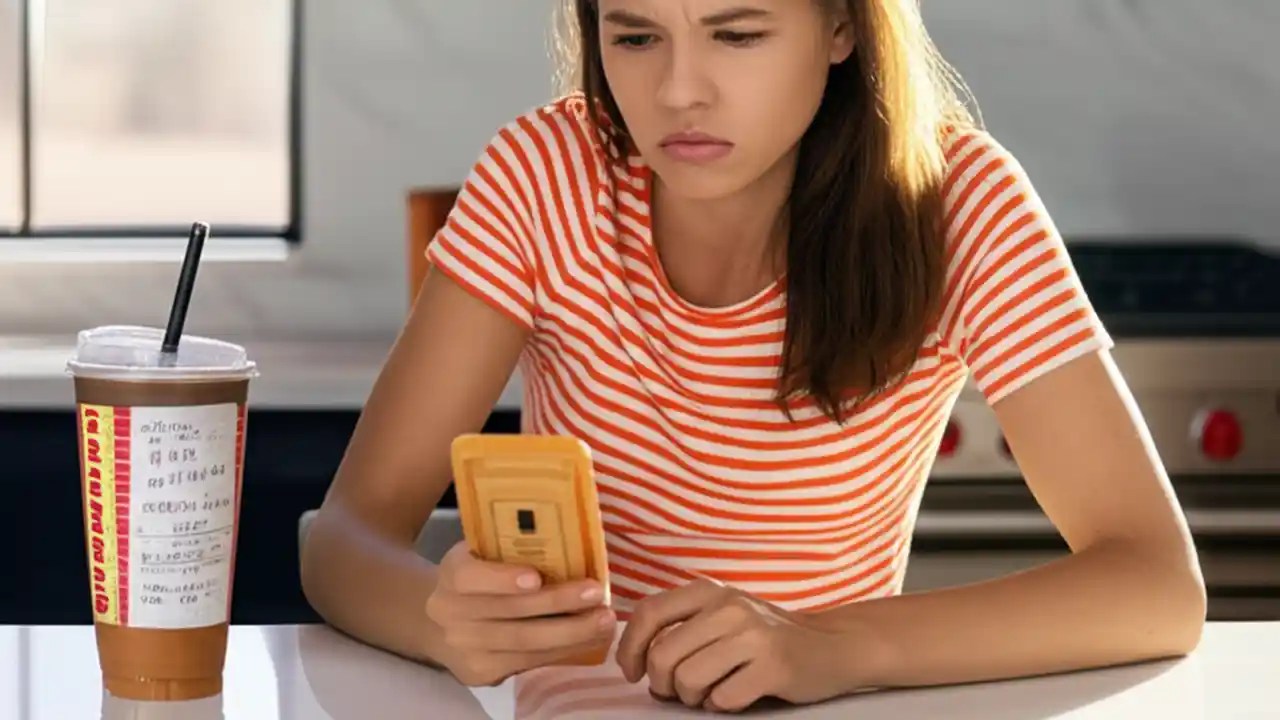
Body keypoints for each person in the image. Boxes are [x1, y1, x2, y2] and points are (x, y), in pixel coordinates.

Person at [301, 0, 1207, 713]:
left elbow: (1156, 586)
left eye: (737, 35)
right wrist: (440, 621)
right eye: (636, 37)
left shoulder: (959, 204)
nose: (679, 92)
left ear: (843, 26)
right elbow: (339, 540)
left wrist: (826, 647)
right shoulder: (544, 177)